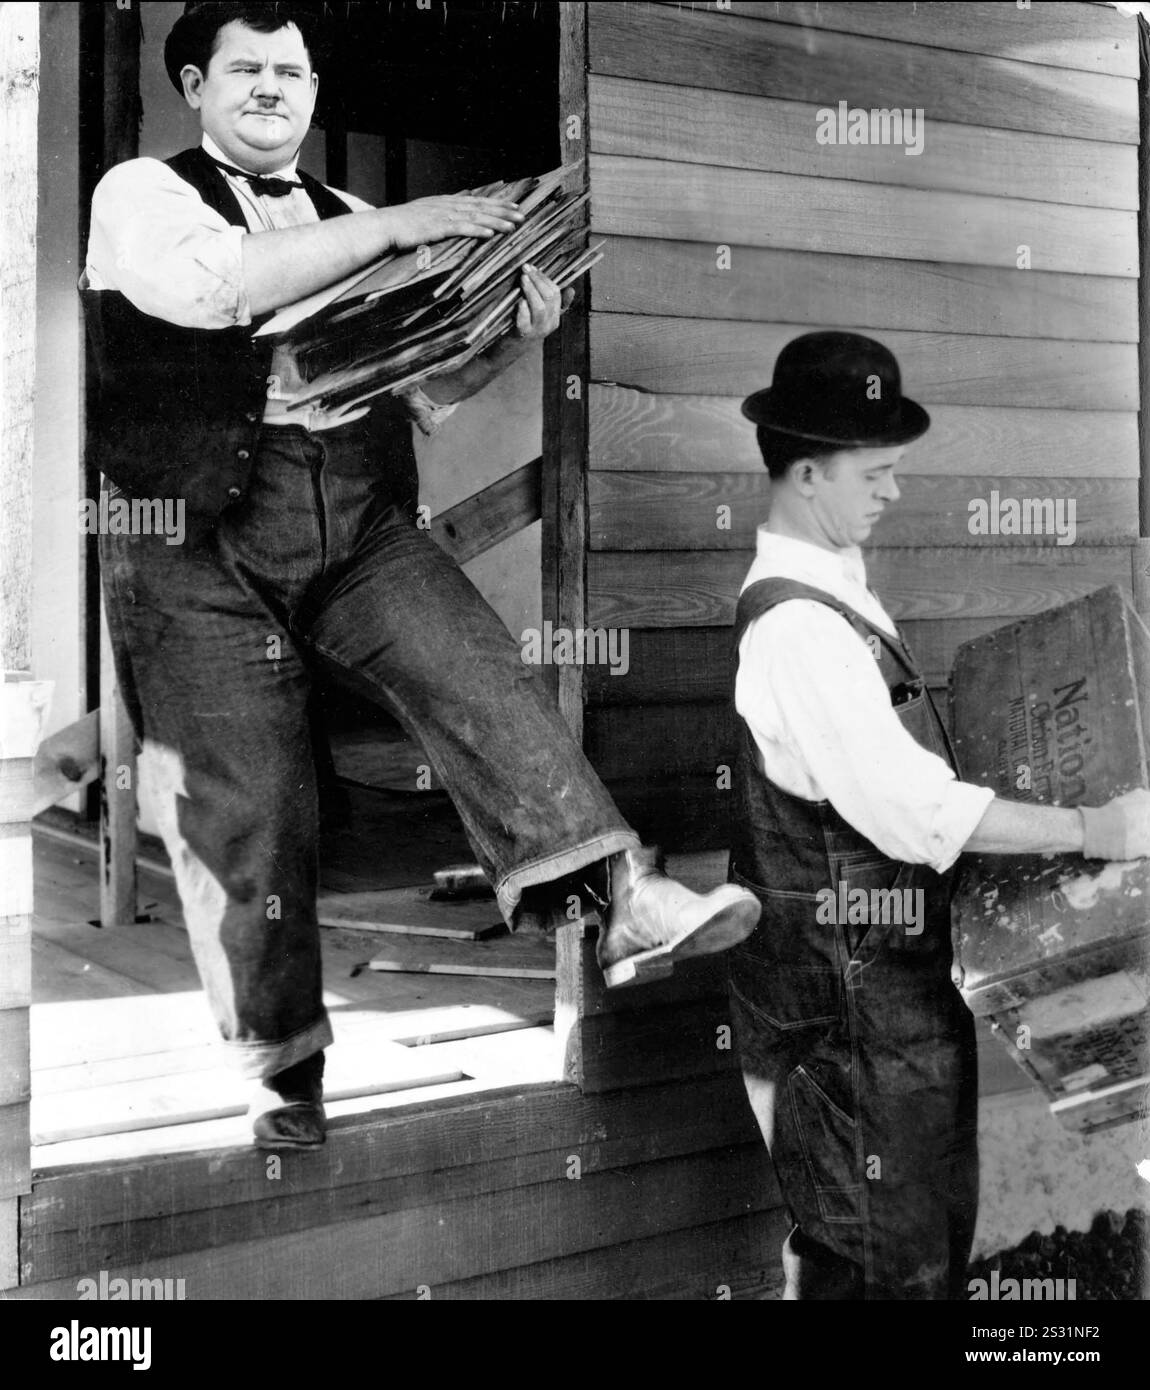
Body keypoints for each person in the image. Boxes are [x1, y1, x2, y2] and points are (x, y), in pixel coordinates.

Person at [81, 2, 760, 1150]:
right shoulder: (138, 193)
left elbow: (417, 393)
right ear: (193, 85)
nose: (271, 89)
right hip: (192, 539)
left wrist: (508, 329)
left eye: (291, 71)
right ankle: (280, 1071)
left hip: (351, 515)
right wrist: (409, 224)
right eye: (244, 69)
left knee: (482, 674)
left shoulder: (350, 216)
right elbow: (220, 289)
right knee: (250, 806)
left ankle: (624, 901)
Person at [725, 330, 1150, 1300]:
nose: (891, 490)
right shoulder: (797, 628)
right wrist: (1096, 831)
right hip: (851, 1005)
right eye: (873, 472)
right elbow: (912, 811)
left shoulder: (828, 585)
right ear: (804, 474)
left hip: (884, 990)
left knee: (907, 1246)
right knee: (888, 1261)